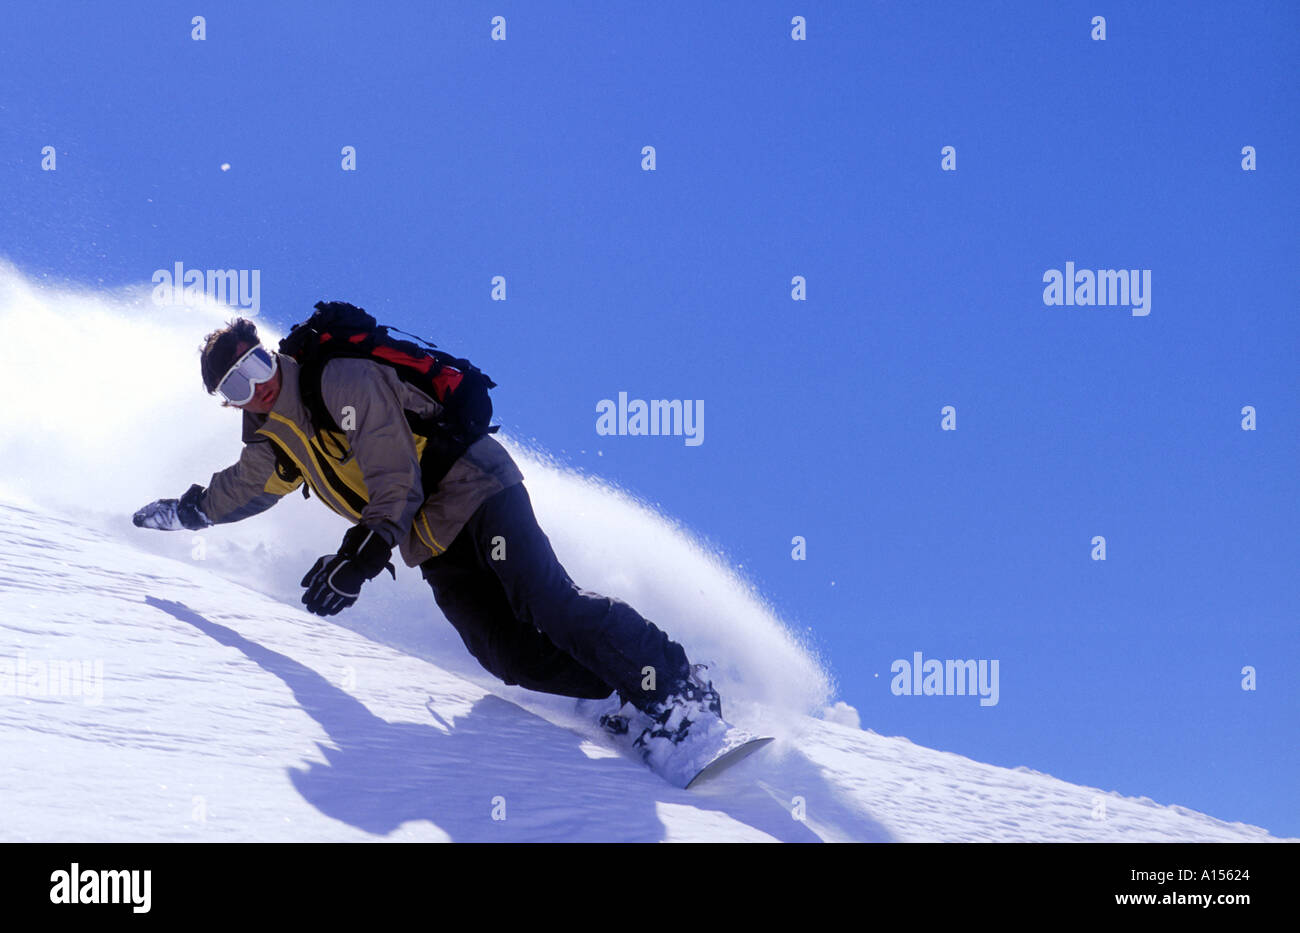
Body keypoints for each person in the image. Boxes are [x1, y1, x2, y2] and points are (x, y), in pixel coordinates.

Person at [132, 314, 722, 754]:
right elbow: (242, 489)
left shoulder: (339, 379)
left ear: (269, 353)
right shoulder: (271, 438)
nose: (255, 389)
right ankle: (626, 692)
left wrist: (360, 554)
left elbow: (394, 474)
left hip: (474, 488)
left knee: (547, 602)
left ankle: (675, 690)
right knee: (505, 655)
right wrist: (186, 513)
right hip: (429, 540)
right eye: (236, 388)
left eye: (256, 367)